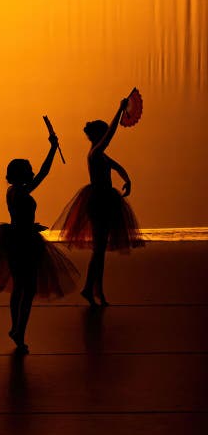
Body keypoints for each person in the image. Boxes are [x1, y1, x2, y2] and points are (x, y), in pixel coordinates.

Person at [0, 131, 78, 353]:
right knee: (28, 288)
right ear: (21, 174)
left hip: (16, 239)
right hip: (23, 241)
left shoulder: (14, 190)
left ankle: (17, 329)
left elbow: (41, 176)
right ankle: (19, 330)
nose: (32, 172)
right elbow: (38, 183)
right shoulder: (19, 193)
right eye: (28, 169)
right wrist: (32, 227)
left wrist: (53, 148)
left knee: (20, 288)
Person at [54, 96, 144, 306]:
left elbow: (118, 167)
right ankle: (91, 289)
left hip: (105, 200)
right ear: (98, 137)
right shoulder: (94, 153)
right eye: (103, 135)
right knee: (98, 250)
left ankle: (95, 290)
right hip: (98, 201)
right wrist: (119, 110)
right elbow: (111, 135)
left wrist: (127, 179)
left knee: (100, 250)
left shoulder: (101, 156)